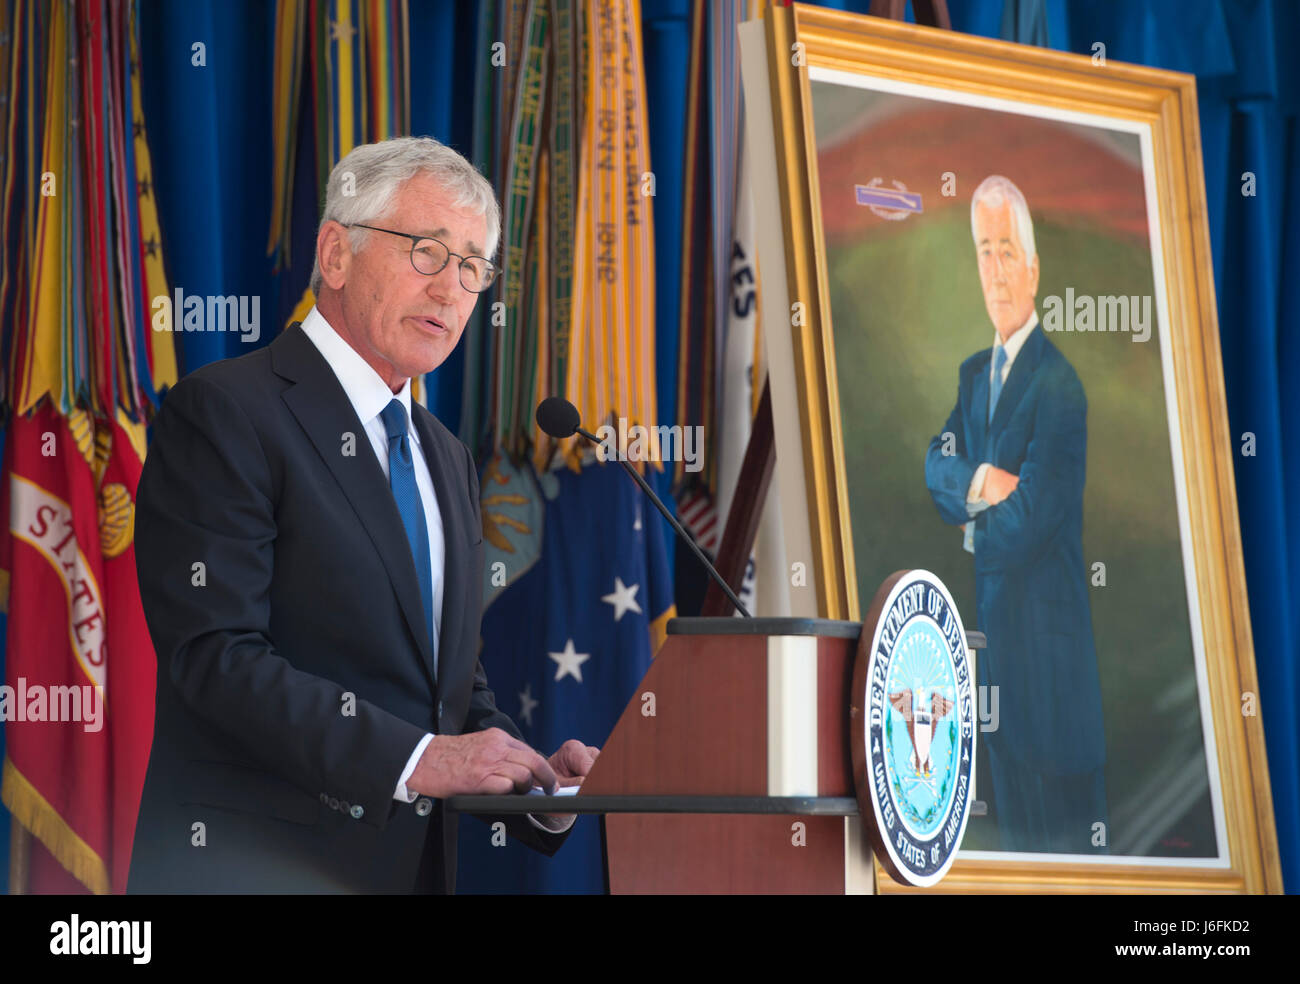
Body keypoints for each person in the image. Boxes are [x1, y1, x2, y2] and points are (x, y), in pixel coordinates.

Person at [128, 137, 598, 893]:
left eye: (474, 267)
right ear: (336, 254)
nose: (452, 290)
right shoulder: (226, 412)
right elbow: (216, 659)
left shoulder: (444, 455)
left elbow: (453, 695)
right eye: (427, 252)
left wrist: (538, 786)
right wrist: (420, 760)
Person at [924, 175, 1107, 854]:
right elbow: (932, 467)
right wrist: (981, 477)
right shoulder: (975, 376)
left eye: (1006, 251)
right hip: (991, 678)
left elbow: (1030, 522)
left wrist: (969, 523)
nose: (994, 269)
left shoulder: (1060, 386)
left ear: (1033, 267)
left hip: (1052, 694)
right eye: (983, 251)